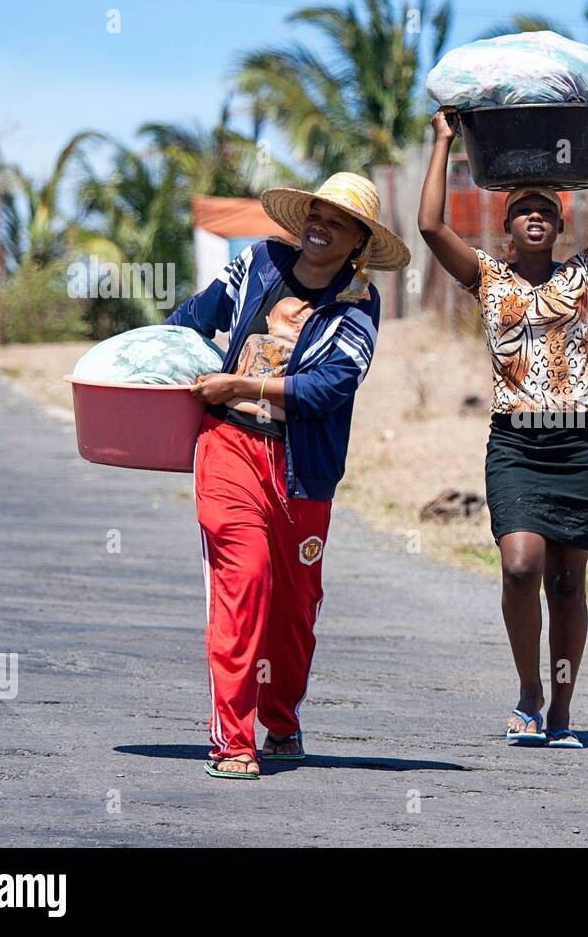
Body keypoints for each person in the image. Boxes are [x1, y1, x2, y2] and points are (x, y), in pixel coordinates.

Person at [418, 101, 588, 748]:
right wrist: (445, 141)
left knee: (569, 585)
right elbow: (430, 224)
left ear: (560, 222)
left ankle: (563, 712)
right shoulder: (486, 279)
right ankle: (528, 690)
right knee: (521, 566)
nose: (537, 217)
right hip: (517, 442)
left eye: (548, 210)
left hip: (578, 442)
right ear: (507, 225)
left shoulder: (586, 275)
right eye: (525, 210)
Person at [167, 173, 410, 779]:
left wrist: (245, 383)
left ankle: (281, 719)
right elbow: (192, 318)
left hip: (304, 472)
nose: (319, 224)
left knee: (295, 610)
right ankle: (232, 739)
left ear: (358, 241)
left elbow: (332, 385)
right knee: (242, 584)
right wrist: (159, 368)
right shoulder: (259, 261)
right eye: (315, 212)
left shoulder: (359, 303)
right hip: (228, 447)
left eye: (337, 220)